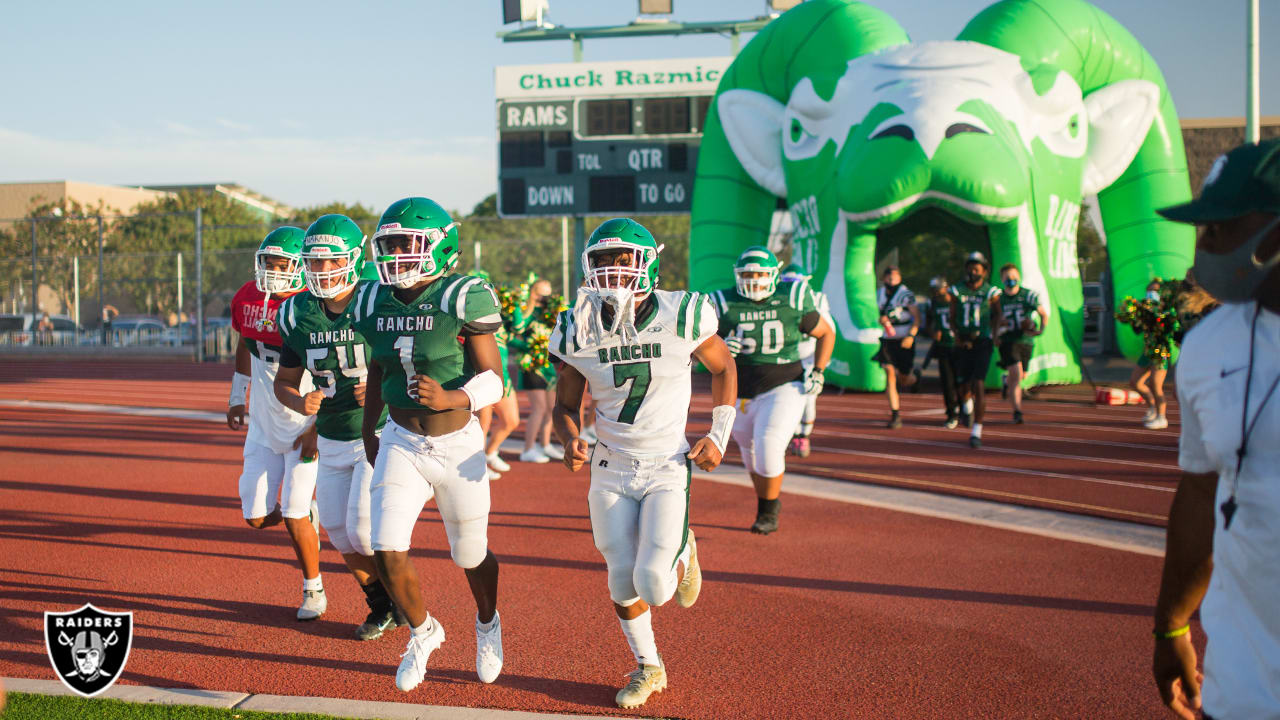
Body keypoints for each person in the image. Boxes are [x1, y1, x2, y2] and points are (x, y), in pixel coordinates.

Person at [549, 218, 737, 709]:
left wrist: (718, 434)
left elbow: (724, 367)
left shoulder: (685, 314)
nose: (613, 270)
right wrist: (570, 439)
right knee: (619, 573)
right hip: (611, 465)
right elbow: (566, 406)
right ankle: (649, 666)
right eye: (603, 261)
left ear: (649, 262)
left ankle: (685, 548)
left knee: (654, 585)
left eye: (623, 259)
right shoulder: (577, 327)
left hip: (666, 463)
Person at [1151, 138, 1280, 720]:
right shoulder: (1205, 347)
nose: (1205, 246)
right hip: (1240, 686)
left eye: (1223, 227)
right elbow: (1201, 491)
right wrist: (1169, 626)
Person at [353, 196, 504, 690]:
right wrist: (368, 426)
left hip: (458, 442)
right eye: (390, 244)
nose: (397, 254)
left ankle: (487, 623)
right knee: (386, 548)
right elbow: (379, 366)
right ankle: (423, 632)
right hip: (401, 440)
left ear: (442, 248)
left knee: (470, 553)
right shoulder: (372, 299)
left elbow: (495, 380)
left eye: (409, 243)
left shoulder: (462, 295)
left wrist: (450, 395)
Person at [274, 214, 403, 641]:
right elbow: (284, 382)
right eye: (313, 262)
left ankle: (404, 597)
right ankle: (381, 603)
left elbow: (413, 359)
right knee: (338, 532)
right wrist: (298, 402)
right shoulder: (296, 312)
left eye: (331, 263)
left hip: (379, 431)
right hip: (330, 433)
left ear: (351, 260)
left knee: (362, 528)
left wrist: (384, 383)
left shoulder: (377, 300)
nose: (322, 272)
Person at [227, 227, 323, 620]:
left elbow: (331, 370)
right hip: (265, 426)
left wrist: (318, 426)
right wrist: (237, 396)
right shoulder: (249, 298)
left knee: (294, 513)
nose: (274, 270)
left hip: (305, 424)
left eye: (283, 264)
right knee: (255, 517)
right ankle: (307, 518)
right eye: (269, 262)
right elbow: (246, 344)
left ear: (300, 266)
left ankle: (313, 590)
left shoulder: (311, 306)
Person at [710, 246, 835, 534]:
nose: (753, 280)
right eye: (747, 274)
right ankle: (766, 500)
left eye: (760, 274)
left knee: (768, 445)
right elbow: (701, 346)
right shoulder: (722, 301)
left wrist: (818, 370)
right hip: (739, 388)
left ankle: (768, 510)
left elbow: (826, 332)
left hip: (785, 382)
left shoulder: (791, 298)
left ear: (774, 276)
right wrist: (719, 346)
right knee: (748, 452)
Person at [469, 269, 519, 480]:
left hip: (503, 377)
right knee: (483, 424)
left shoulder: (497, 314)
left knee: (511, 420)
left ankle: (490, 453)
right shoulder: (470, 316)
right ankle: (476, 463)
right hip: (481, 378)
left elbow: (516, 330)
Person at [951, 251, 1003, 449]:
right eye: (970, 269)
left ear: (984, 271)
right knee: (963, 385)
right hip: (963, 341)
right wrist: (956, 337)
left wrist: (995, 334)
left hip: (982, 341)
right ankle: (966, 405)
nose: (973, 272)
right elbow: (952, 316)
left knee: (978, 382)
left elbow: (997, 315)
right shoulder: (958, 290)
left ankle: (977, 431)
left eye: (977, 269)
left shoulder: (991, 292)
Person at [780, 263, 831, 458]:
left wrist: (820, 366)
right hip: (786, 358)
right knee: (785, 399)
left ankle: (803, 436)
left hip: (809, 357)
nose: (791, 286)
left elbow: (828, 331)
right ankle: (791, 434)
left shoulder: (816, 300)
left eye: (795, 282)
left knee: (808, 399)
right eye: (787, 282)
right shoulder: (776, 298)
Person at [515, 278, 563, 463]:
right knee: (539, 408)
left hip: (548, 366)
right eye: (542, 293)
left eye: (548, 294)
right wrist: (527, 345)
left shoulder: (548, 314)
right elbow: (513, 334)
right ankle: (527, 448)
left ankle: (545, 444)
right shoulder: (525, 312)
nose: (545, 298)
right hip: (531, 365)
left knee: (551, 409)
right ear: (534, 293)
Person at [995, 263, 1048, 425]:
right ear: (1002, 279)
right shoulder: (998, 299)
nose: (1010, 280)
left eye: (1013, 276)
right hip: (1008, 340)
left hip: (1025, 340)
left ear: (1018, 277)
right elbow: (993, 320)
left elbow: (1043, 314)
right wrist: (996, 333)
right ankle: (1017, 411)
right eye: (1007, 277)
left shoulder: (1028, 295)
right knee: (1016, 373)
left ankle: (1006, 381)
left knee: (1021, 375)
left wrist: (1040, 330)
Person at [876, 266, 921, 429]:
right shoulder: (879, 294)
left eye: (894, 278)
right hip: (888, 340)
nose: (891, 281)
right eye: (888, 278)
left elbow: (917, 319)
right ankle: (895, 414)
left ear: (899, 279)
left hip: (904, 339)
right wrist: (880, 320)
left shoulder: (906, 295)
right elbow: (878, 314)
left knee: (903, 379)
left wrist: (911, 336)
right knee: (889, 372)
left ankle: (914, 378)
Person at [1129, 278, 1171, 430]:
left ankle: (1162, 416)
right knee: (1135, 382)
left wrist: (1159, 315)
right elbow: (1138, 330)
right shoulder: (1145, 310)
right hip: (1148, 350)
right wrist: (1134, 316)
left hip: (1161, 350)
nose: (1150, 295)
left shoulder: (1167, 310)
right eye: (1149, 291)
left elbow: (1168, 329)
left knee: (1155, 383)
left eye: (1154, 292)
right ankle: (1153, 407)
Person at [924, 276, 961, 428]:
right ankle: (951, 413)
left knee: (963, 380)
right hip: (943, 346)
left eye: (937, 289)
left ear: (946, 288)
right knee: (947, 382)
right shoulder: (932, 303)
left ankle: (965, 407)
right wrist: (933, 333)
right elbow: (927, 326)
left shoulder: (956, 301)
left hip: (959, 345)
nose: (936, 293)